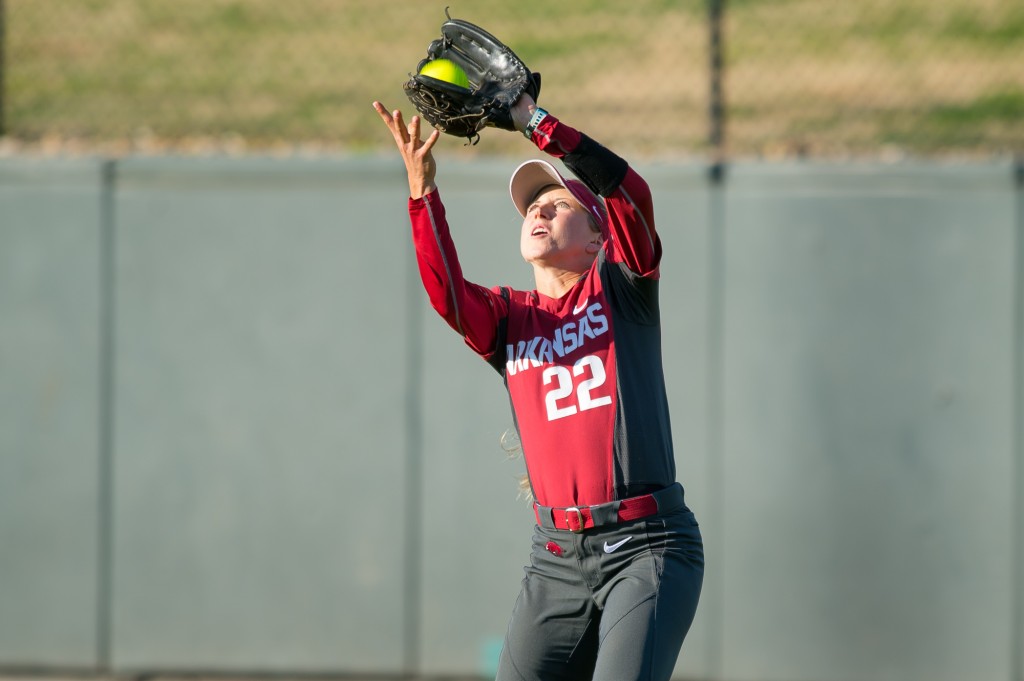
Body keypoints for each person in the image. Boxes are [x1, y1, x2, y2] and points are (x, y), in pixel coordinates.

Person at [372, 91, 704, 681]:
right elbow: (448, 295)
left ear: (599, 238)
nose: (537, 212)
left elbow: (630, 193)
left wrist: (536, 122)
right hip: (555, 559)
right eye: (531, 208)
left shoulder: (621, 287)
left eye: (557, 204)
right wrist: (422, 194)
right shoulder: (510, 318)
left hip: (647, 546)